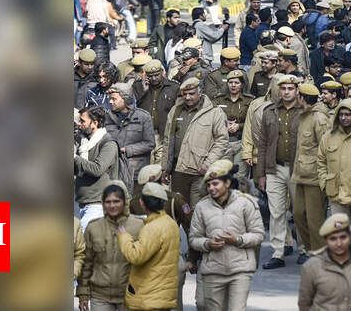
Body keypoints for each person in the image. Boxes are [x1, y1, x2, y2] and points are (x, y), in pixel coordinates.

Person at [189, 159, 265, 311]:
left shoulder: (246, 203)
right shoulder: (201, 207)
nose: (211, 188)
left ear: (228, 183)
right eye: (209, 185)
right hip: (212, 270)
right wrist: (207, 243)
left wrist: (238, 239)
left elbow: (258, 234)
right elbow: (193, 238)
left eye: (215, 184)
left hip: (240, 270)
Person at [253, 74, 303, 269]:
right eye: (283, 89)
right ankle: (278, 252)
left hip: (297, 169)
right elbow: (263, 144)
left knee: (299, 212)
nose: (286, 92)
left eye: (290, 89)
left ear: (297, 90)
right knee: (276, 212)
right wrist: (261, 174)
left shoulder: (305, 111)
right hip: (274, 168)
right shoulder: (270, 111)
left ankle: (304, 249)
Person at [161, 77, 229, 207]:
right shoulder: (176, 111)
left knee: (197, 210)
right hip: (178, 170)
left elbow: (222, 140)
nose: (187, 97)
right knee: (179, 209)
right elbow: (168, 140)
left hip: (199, 171)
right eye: (184, 94)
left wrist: (208, 163)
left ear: (200, 92)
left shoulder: (214, 112)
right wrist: (165, 168)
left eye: (191, 93)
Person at [77, 184, 144, 311]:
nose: (112, 205)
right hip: (100, 296)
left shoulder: (139, 225)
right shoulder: (93, 227)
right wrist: (83, 294)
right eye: (108, 202)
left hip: (130, 295)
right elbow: (86, 263)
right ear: (103, 203)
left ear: (124, 202)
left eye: (116, 201)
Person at [116, 182, 181, 311]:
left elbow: (136, 256)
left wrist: (124, 237)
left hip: (150, 297)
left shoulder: (152, 228)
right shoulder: (170, 223)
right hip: (163, 295)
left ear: (142, 203)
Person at [291, 83, 332, 265]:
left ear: (302, 98)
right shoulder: (302, 116)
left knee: (315, 219)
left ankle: (320, 253)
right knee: (298, 214)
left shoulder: (319, 118)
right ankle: (312, 249)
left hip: (315, 176)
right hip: (300, 174)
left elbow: (326, 150)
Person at [298, 213, 351, 311]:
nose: (339, 243)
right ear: (326, 240)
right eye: (333, 239)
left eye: (343, 237)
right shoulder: (312, 267)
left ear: (350, 236)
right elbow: (304, 303)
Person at [75, 106, 120, 230]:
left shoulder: (108, 144)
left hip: (98, 205)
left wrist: (74, 157)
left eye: (83, 121)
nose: (79, 124)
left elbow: (97, 169)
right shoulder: (83, 144)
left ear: (95, 123)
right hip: (84, 203)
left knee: (85, 245)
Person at [106, 83, 155, 183]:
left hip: (134, 173)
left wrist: (126, 150)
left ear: (126, 99)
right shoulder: (106, 117)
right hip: (112, 172)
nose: (110, 102)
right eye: (110, 99)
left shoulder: (143, 117)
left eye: (114, 99)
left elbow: (150, 144)